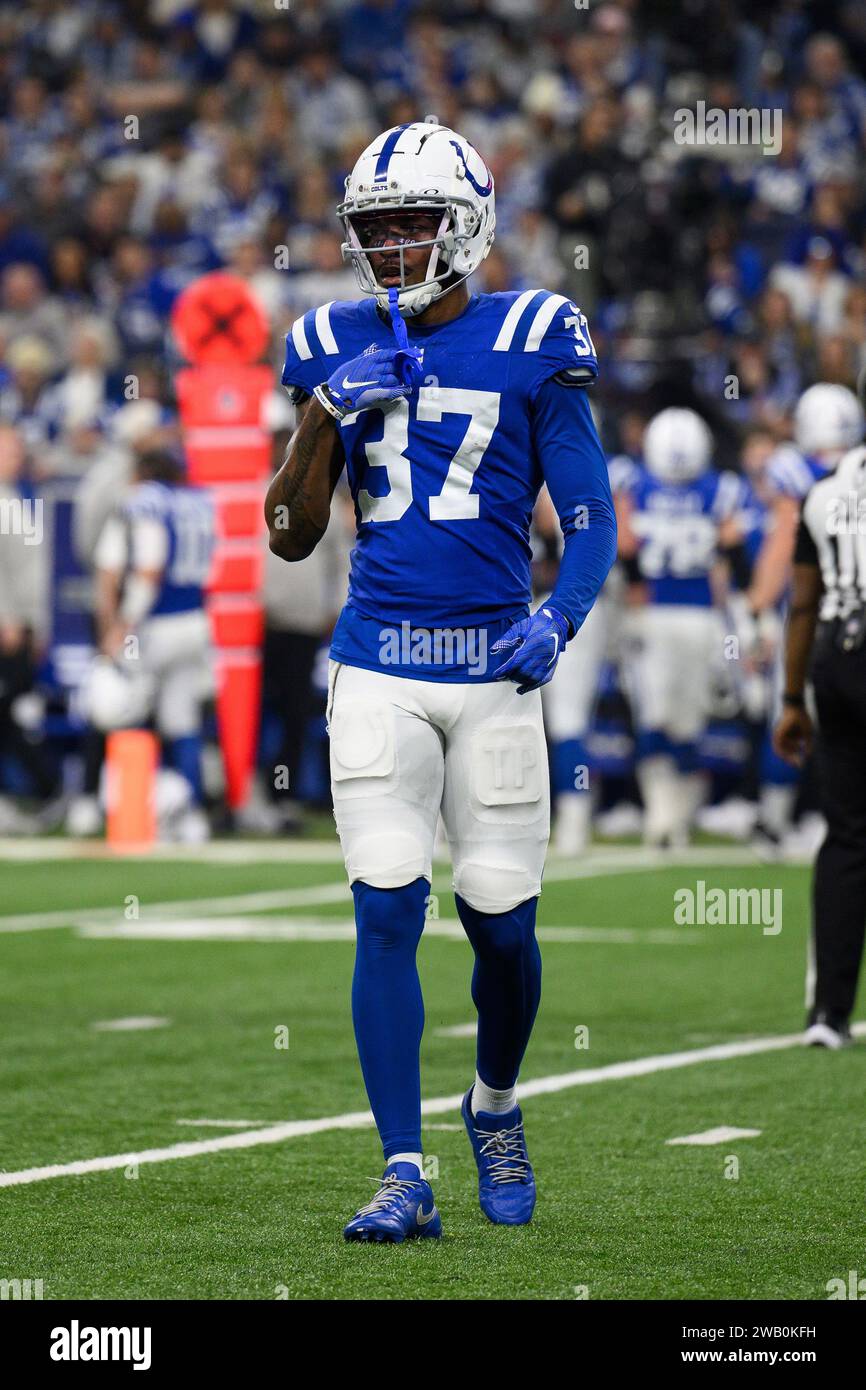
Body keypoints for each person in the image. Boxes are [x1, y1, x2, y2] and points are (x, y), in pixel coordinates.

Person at [266, 118, 616, 1242]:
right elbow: (285, 531)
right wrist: (322, 415)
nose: (394, 246)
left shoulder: (533, 332)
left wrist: (556, 617)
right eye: (376, 229)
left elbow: (593, 514)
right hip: (378, 664)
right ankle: (401, 1170)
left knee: (502, 928)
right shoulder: (326, 339)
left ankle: (495, 1104)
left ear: (465, 227)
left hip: (494, 670)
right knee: (384, 908)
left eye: (414, 223)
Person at [616, 408, 748, 846]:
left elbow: (625, 543)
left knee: (654, 714)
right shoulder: (720, 489)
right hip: (700, 616)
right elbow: (731, 554)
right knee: (687, 720)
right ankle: (675, 819)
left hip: (651, 611)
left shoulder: (633, 482)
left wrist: (633, 594)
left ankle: (662, 817)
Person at [773, 435, 866, 1049]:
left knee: (847, 836)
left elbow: (802, 603)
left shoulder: (826, 487)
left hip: (839, 657)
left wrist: (790, 699)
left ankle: (829, 1013)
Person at [89, 448, 214, 840]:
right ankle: (190, 815)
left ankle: (129, 806)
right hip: (195, 620)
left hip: (155, 623)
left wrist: (120, 625)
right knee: (182, 720)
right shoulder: (198, 501)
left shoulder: (143, 501)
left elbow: (147, 568)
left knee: (127, 714)